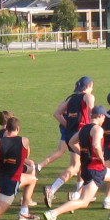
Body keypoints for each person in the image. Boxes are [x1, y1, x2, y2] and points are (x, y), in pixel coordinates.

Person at [43, 105, 110, 220]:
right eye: (104, 117)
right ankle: (53, 213)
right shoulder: (98, 129)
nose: (104, 120)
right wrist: (101, 159)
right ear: (100, 116)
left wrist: (83, 154)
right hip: (95, 169)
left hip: (87, 168)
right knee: (83, 201)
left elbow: (71, 142)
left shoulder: (84, 128)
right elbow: (96, 145)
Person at [42, 76, 94, 207]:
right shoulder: (88, 97)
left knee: (78, 164)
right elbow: (92, 112)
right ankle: (53, 189)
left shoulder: (71, 98)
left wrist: (68, 125)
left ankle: (77, 194)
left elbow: (57, 114)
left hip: (71, 135)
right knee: (81, 165)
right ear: (88, 86)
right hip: (81, 135)